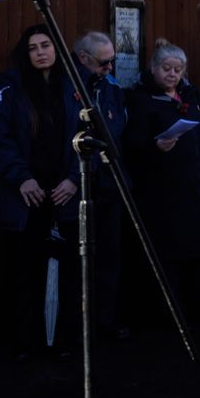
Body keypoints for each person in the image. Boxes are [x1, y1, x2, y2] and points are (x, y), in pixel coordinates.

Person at [0, 24, 81, 358]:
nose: (41, 52)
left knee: (69, 271)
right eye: (33, 48)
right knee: (23, 270)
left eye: (46, 45)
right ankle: (24, 342)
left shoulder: (74, 84)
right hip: (26, 195)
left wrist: (74, 179)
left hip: (64, 194)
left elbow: (92, 136)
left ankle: (64, 341)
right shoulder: (9, 87)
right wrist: (21, 178)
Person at [125, 40, 200, 323]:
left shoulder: (191, 95)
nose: (172, 74)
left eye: (178, 70)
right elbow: (132, 142)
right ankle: (170, 310)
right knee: (171, 249)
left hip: (199, 186)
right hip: (164, 190)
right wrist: (155, 147)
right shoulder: (141, 100)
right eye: (167, 69)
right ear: (154, 68)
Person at [73, 30, 128, 337]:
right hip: (78, 181)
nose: (109, 69)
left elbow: (116, 123)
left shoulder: (109, 86)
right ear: (84, 58)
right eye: (104, 63)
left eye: (113, 62)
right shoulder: (71, 83)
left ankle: (104, 321)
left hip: (109, 181)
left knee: (110, 255)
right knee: (81, 257)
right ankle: (79, 325)